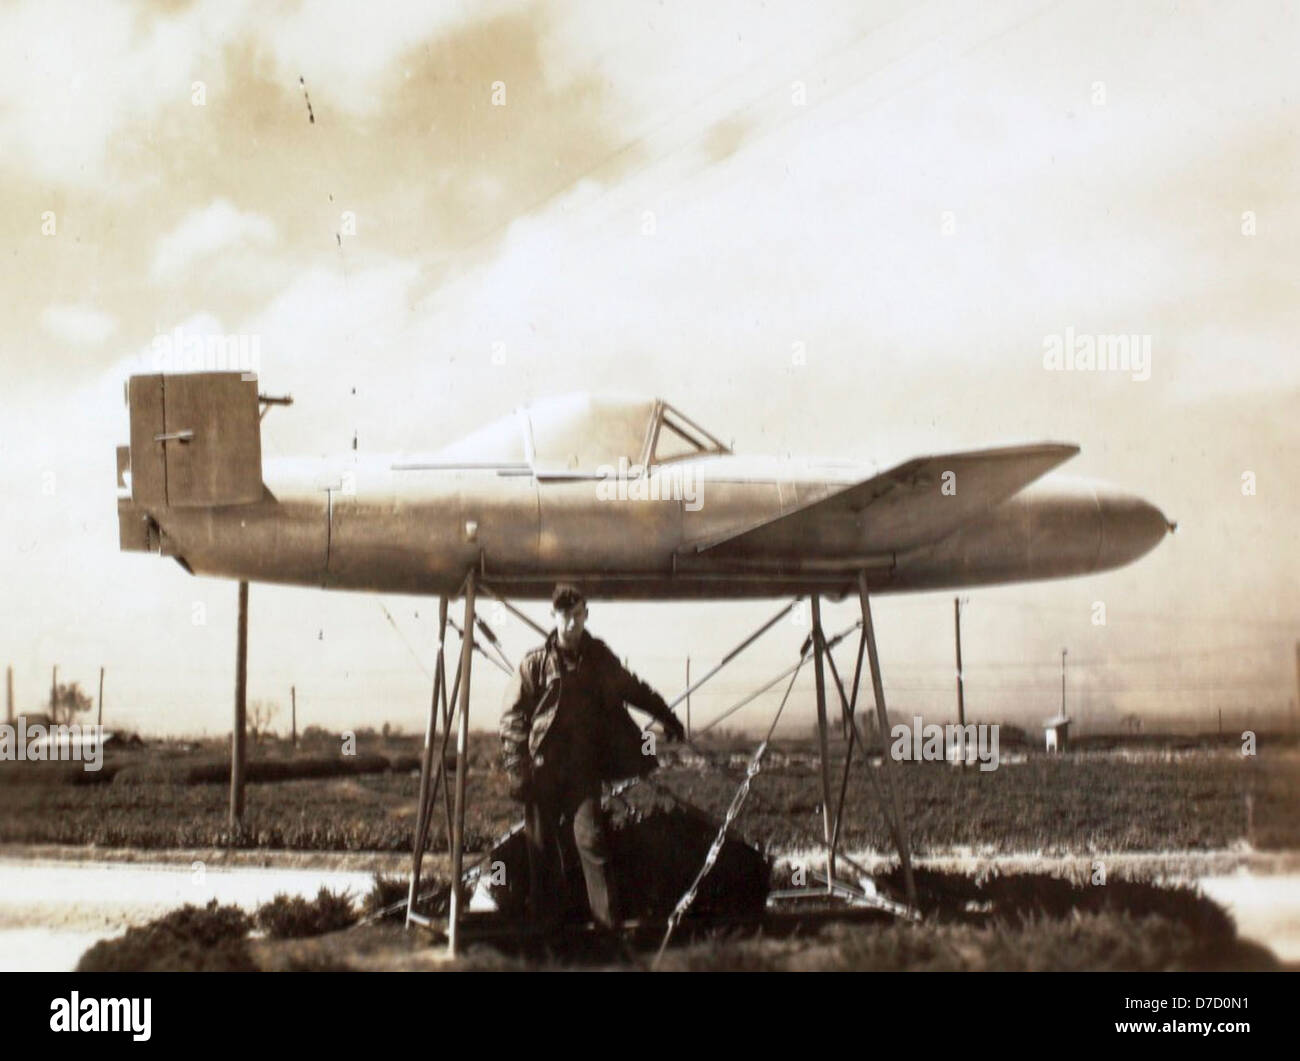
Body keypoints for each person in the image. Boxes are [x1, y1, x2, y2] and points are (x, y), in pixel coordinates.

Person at [499, 583, 686, 933]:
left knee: (592, 841)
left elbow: (633, 688)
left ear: (586, 614)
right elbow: (512, 718)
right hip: (543, 773)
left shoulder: (600, 659)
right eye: (564, 615)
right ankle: (545, 935)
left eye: (577, 614)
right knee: (540, 850)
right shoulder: (534, 664)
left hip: (584, 770)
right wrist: (517, 767)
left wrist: (667, 716)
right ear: (553, 616)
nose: (571, 623)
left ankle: (609, 932)